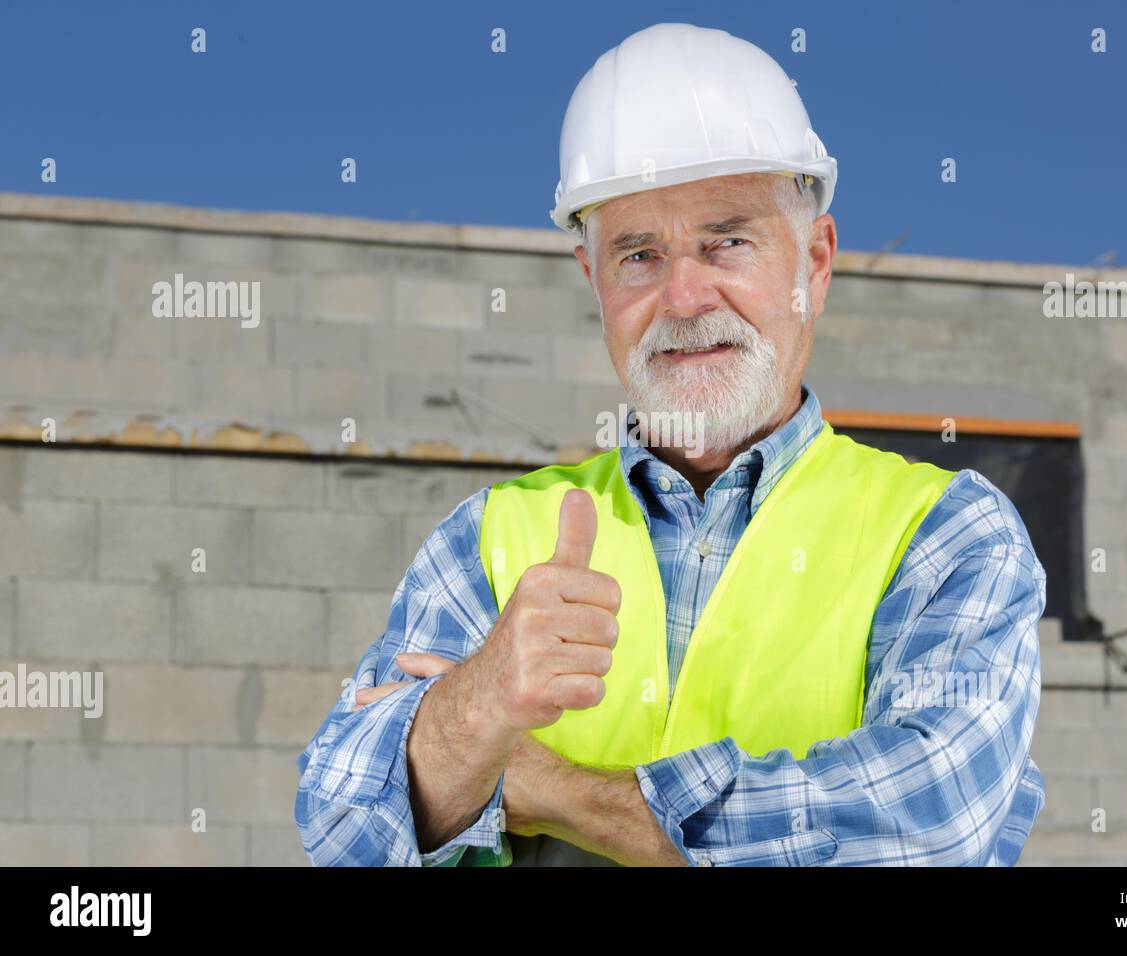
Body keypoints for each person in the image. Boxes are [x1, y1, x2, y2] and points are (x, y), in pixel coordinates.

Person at [295, 22, 1046, 867]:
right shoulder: (493, 536)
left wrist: (550, 789)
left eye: (727, 240)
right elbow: (340, 821)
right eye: (639, 254)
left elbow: (928, 821)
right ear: (595, 281)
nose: (684, 296)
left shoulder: (944, 535)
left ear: (816, 263)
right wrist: (478, 702)